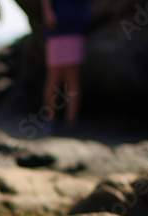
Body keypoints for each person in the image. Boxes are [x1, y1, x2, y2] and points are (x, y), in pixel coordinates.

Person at [41, 0, 92, 134]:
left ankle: (71, 123)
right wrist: (47, 12)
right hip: (57, 25)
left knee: (72, 78)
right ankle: (50, 121)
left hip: (76, 25)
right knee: (54, 78)